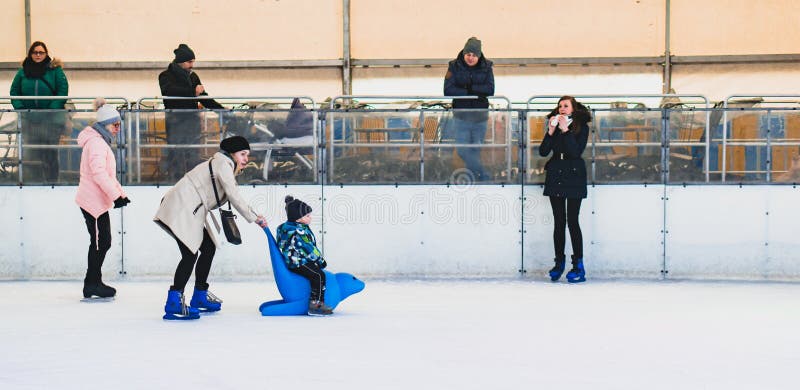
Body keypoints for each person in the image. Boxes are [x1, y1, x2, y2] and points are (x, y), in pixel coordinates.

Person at [154, 136, 267, 320]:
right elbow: (233, 194)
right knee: (190, 254)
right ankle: (174, 301)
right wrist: (254, 218)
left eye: (247, 155)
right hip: (182, 209)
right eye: (243, 154)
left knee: (208, 248)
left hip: (190, 210)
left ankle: (199, 295)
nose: (246, 159)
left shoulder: (222, 164)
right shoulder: (224, 165)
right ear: (232, 153)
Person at [75, 98, 129, 299]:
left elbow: (108, 175)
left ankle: (93, 282)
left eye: (119, 125)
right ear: (104, 124)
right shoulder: (97, 143)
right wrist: (115, 196)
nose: (117, 128)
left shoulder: (100, 142)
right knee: (101, 242)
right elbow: (98, 174)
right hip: (93, 201)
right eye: (115, 124)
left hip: (97, 200)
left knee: (102, 241)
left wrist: (120, 194)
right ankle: (92, 284)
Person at [539, 96, 592, 283]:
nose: (562, 109)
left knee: (573, 221)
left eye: (566, 106)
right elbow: (543, 151)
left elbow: (575, 152)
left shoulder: (581, 127)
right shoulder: (554, 126)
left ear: (573, 109)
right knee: (559, 222)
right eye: (560, 106)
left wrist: (565, 130)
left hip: (574, 175)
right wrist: (551, 132)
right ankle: (559, 262)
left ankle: (578, 265)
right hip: (556, 175)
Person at [158, 43, 224, 182]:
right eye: (189, 61)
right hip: (175, 123)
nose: (192, 64)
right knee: (176, 152)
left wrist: (221, 110)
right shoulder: (165, 76)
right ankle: (175, 181)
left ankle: (194, 182)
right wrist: (192, 92)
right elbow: (169, 92)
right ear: (181, 61)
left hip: (192, 123)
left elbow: (203, 97)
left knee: (193, 152)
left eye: (193, 61)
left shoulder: (193, 76)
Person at [10, 41, 69, 183]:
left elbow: (62, 91)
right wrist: (21, 109)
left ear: (46, 54)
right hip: (29, 120)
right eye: (35, 52)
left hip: (51, 120)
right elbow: (14, 92)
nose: (38, 55)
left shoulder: (55, 71)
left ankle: (52, 181)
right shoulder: (23, 72)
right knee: (32, 152)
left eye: (41, 52)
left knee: (50, 152)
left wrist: (51, 110)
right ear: (30, 54)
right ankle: (33, 181)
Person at [443, 37, 495, 182]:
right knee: (462, 150)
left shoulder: (487, 66)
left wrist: (468, 88)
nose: (471, 58)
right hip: (461, 117)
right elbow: (448, 90)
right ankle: (483, 175)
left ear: (479, 55)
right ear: (464, 53)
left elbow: (490, 89)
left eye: (474, 55)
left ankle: (473, 178)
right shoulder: (454, 66)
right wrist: (473, 92)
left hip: (480, 118)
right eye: (468, 54)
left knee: (475, 150)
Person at [276, 196, 333, 316]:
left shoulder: (288, 228)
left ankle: (316, 303)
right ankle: (315, 305)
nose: (310, 218)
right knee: (318, 275)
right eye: (307, 216)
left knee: (316, 272)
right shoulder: (298, 232)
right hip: (298, 262)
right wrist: (321, 260)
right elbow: (309, 249)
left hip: (295, 259)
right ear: (298, 219)